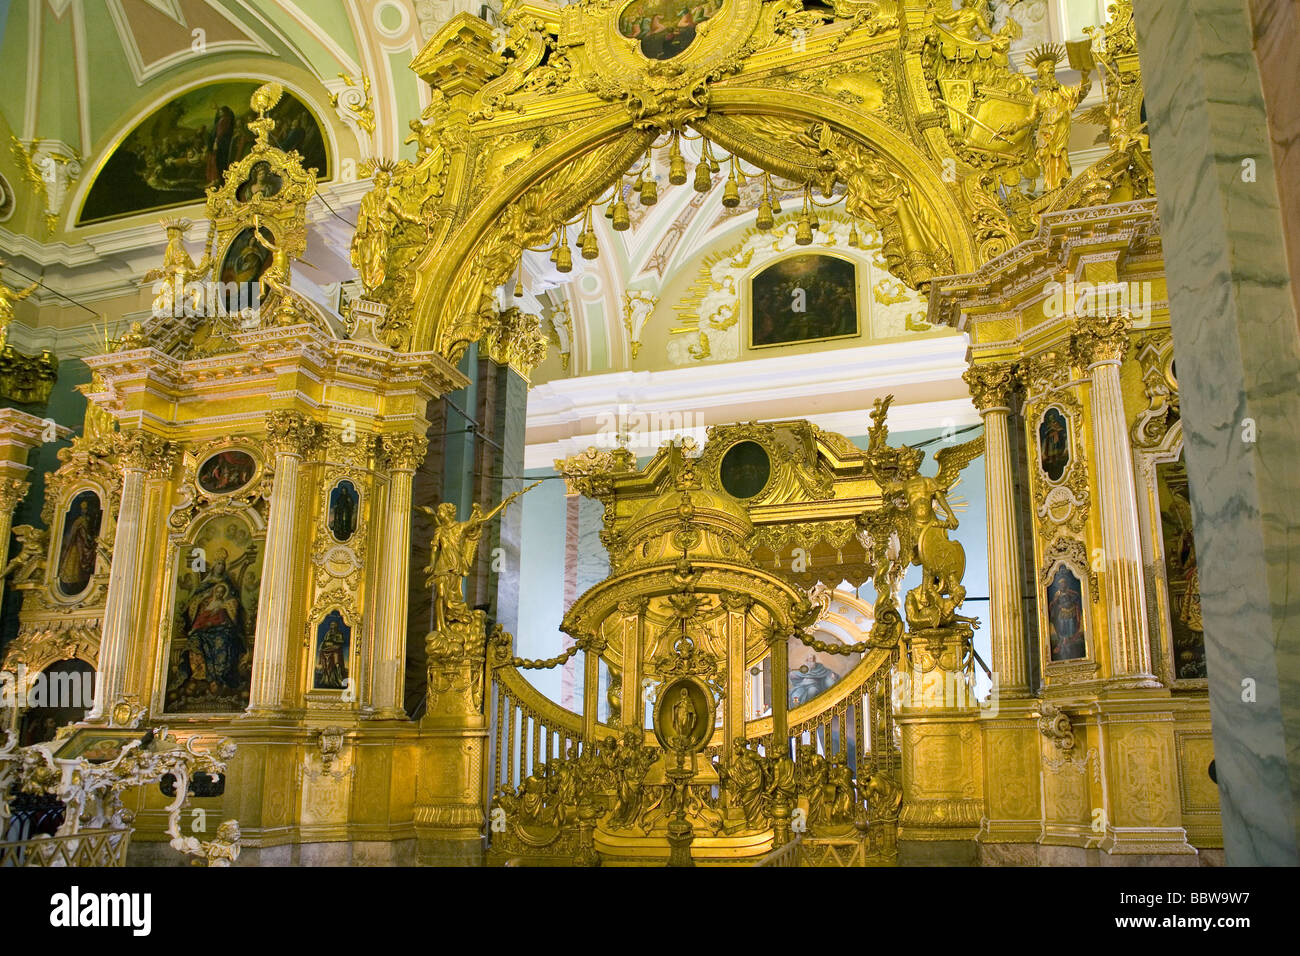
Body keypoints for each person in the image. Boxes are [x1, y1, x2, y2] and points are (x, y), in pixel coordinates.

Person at [57, 498, 98, 595]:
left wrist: (88, 537)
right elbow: (73, 533)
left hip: (83, 544)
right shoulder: (78, 520)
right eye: (83, 509)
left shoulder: (88, 520)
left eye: (86, 509)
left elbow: (87, 533)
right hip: (75, 546)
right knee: (73, 564)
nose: (85, 511)